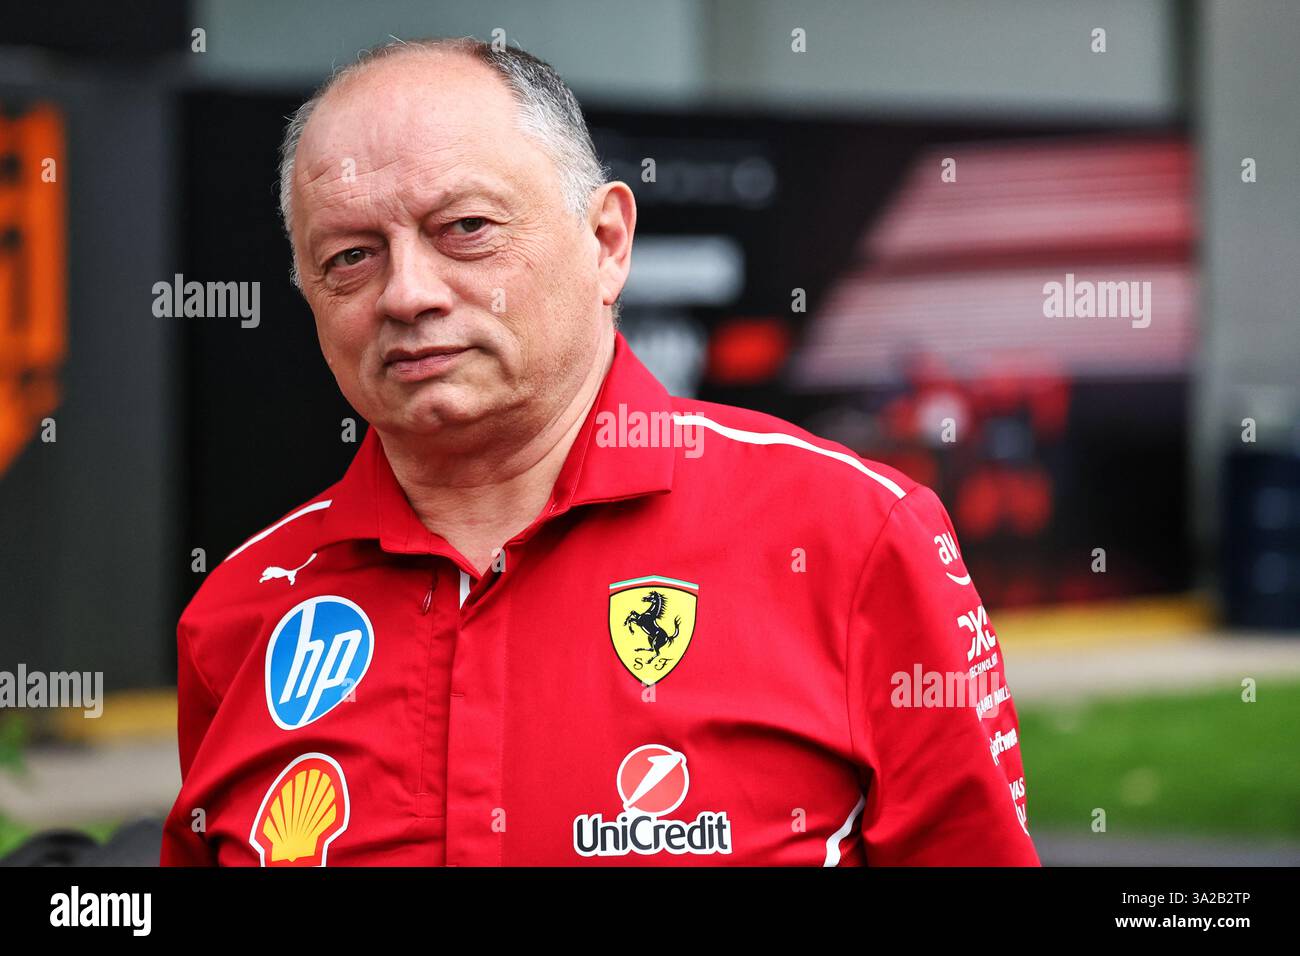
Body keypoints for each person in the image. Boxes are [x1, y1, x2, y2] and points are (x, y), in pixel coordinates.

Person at [161, 36, 1039, 866]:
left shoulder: (855, 539)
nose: (409, 293)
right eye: (350, 256)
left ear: (606, 243)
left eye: (465, 228)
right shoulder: (238, 615)